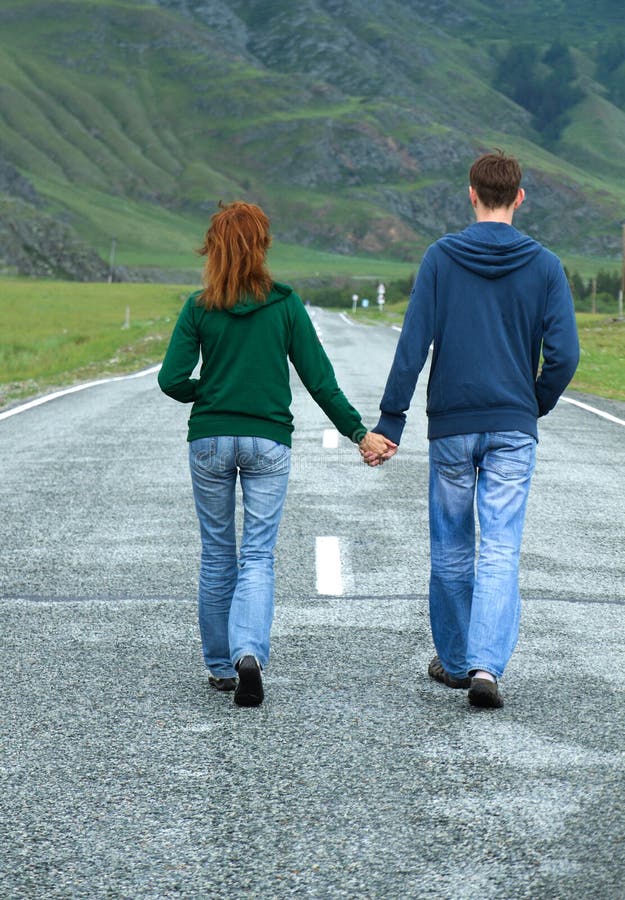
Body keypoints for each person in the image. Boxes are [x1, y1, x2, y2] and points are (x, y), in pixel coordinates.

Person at [363, 150, 579, 709]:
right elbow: (565, 355)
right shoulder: (546, 265)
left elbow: (414, 344)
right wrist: (532, 404)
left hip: (452, 428)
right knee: (501, 546)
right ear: (520, 197)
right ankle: (486, 666)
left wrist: (391, 419)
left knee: (452, 545)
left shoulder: (441, 258)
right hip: (512, 424)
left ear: (471, 193)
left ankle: (456, 662)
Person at [158, 201, 390, 708]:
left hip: (210, 440)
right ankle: (249, 654)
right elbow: (319, 379)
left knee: (218, 553)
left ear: (214, 248)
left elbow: (170, 380)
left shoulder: (199, 306)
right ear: (262, 246)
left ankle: (221, 666)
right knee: (258, 554)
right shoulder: (286, 305)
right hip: (268, 442)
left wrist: (215, 390)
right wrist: (358, 433)